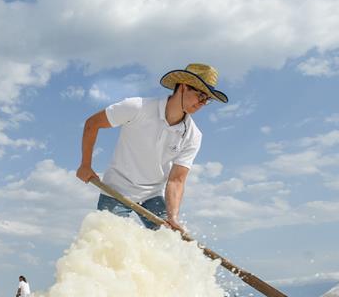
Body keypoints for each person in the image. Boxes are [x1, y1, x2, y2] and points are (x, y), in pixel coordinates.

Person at [76, 63, 227, 231]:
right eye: (200, 96)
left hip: (152, 195)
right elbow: (92, 123)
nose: (202, 103)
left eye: (207, 100)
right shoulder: (136, 107)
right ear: (184, 87)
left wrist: (173, 217)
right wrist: (85, 165)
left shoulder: (193, 135)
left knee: (170, 242)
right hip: (115, 190)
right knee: (108, 243)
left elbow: (176, 180)